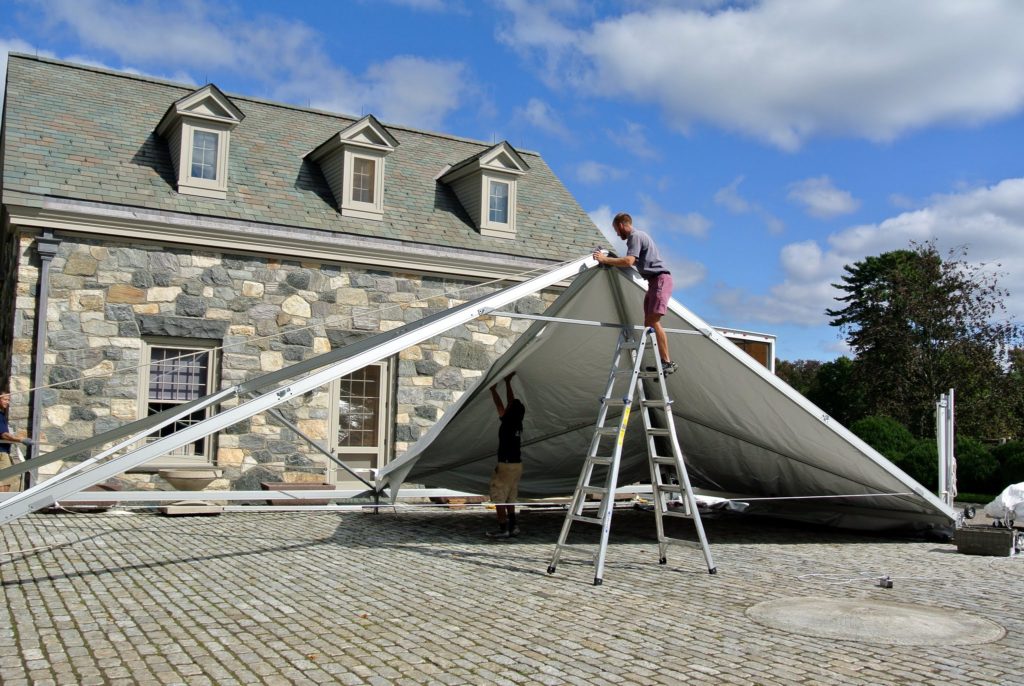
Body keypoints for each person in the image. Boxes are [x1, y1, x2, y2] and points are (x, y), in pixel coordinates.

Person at [592, 212, 677, 374]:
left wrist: (605, 260)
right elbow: (629, 262)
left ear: (622, 225)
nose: (617, 233)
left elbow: (629, 261)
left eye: (616, 229)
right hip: (653, 282)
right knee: (647, 324)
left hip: (660, 280)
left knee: (653, 321)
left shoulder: (635, 236)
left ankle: (667, 362)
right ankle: (659, 362)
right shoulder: (639, 236)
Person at [486, 372, 525, 539]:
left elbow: (501, 405)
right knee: (510, 496)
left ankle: (503, 529)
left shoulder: (508, 422)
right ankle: (514, 526)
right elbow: (510, 403)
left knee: (499, 496)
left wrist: (493, 390)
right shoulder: (517, 422)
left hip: (506, 465)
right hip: (517, 465)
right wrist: (508, 382)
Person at [0, 392, 33, 492]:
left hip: (3, 452)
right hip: (1, 453)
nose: (7, 402)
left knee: (9, 480)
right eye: (5, 399)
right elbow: (3, 434)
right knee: (5, 480)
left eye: (8, 400)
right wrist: (21, 440)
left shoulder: (1, 415)